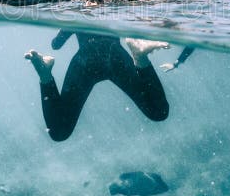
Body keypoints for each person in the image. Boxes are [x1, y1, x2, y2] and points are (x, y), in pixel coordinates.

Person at [25, 29, 170, 142]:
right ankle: (140, 57)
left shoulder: (76, 14)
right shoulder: (114, 10)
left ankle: (45, 76)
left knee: (59, 132)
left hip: (85, 62)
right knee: (159, 112)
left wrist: (67, 26)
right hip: (114, 56)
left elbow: (56, 44)